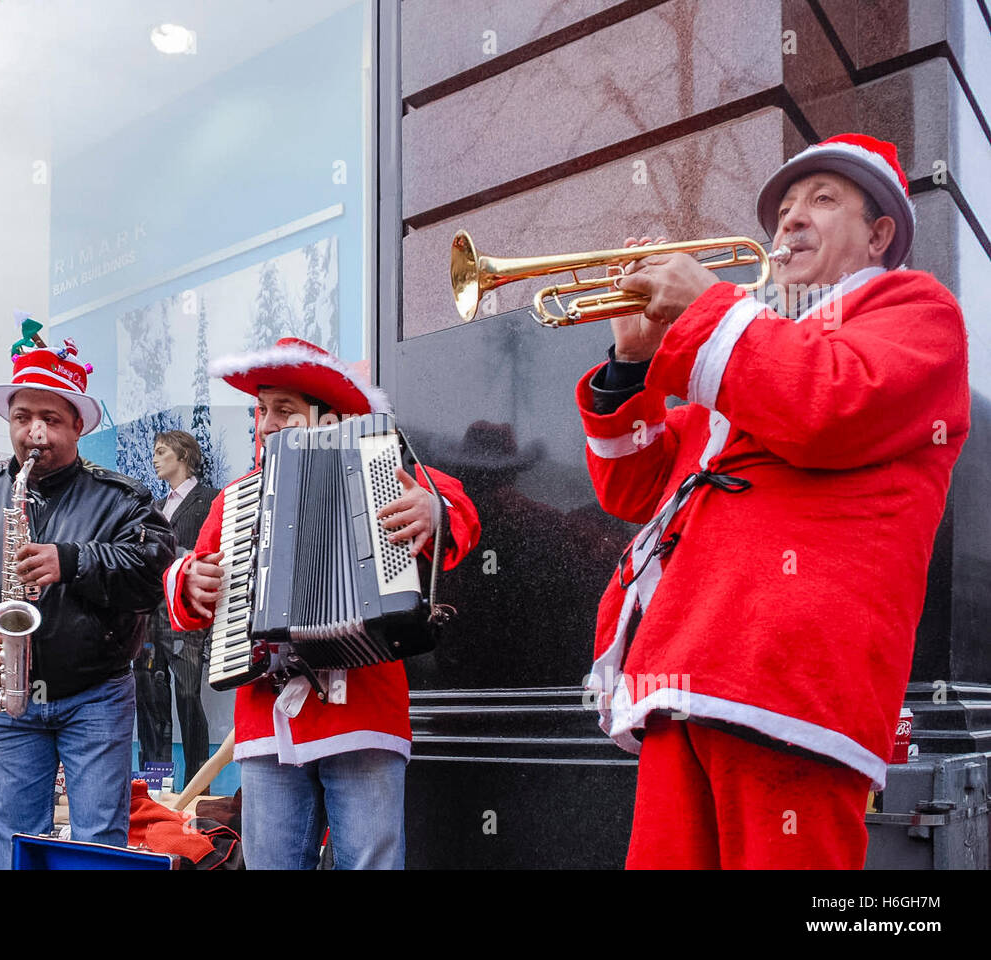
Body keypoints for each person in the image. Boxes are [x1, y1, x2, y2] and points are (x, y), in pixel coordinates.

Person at [576, 133, 970, 868]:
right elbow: (634, 488)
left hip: (794, 684)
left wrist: (710, 314)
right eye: (785, 207)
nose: (791, 220)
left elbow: (827, 405)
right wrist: (631, 365)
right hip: (683, 670)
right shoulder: (745, 354)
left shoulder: (917, 310)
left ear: (880, 234)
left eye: (823, 200)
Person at [165, 337, 481, 869]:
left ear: (327, 416)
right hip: (266, 720)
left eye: (283, 410)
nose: (265, 423)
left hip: (363, 710)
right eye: (261, 410)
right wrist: (189, 583)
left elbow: (458, 515)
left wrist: (435, 511)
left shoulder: (382, 465)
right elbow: (192, 594)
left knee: (369, 863)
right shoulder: (236, 497)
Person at [0, 327, 175, 869]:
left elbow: (153, 574)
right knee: (12, 842)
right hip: (6, 693)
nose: (34, 432)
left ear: (78, 426)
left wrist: (73, 561)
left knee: (98, 842)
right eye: (22, 417)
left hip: (96, 693)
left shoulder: (122, 498)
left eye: (50, 419)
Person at [134, 430, 218, 785]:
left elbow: (212, 556)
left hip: (186, 616)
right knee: (150, 696)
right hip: (151, 615)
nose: (155, 458)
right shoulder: (152, 508)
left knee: (187, 695)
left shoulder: (210, 500)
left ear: (183, 454)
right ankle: (156, 782)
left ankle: (198, 782)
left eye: (161, 451)